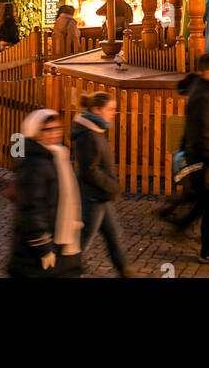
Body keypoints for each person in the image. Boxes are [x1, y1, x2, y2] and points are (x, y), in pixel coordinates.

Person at [162, 53, 209, 266]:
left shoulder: (206, 91)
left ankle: (197, 231)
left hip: (207, 157)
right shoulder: (203, 96)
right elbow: (204, 134)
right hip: (207, 160)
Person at [7, 109, 82, 278]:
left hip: (58, 241)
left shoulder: (57, 155)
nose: (55, 133)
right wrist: (43, 246)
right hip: (37, 250)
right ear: (36, 132)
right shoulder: (35, 163)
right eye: (48, 129)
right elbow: (31, 208)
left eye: (58, 128)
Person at [71, 92, 134, 277]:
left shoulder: (95, 130)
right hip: (94, 196)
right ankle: (65, 270)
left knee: (113, 236)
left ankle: (125, 270)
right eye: (110, 109)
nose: (113, 113)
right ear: (96, 110)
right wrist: (112, 185)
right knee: (83, 240)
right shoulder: (88, 135)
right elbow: (90, 171)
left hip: (101, 196)